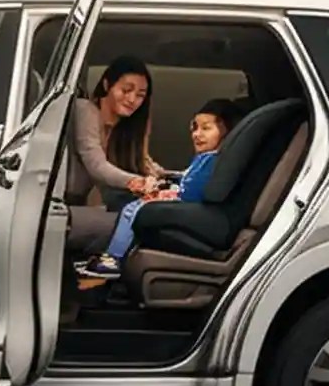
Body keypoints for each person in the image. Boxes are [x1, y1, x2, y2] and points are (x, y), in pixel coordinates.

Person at [76, 98, 244, 279]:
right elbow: (186, 178)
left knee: (132, 209)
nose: (197, 134)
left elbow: (193, 190)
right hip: (190, 203)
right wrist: (168, 184)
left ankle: (113, 258)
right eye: (194, 128)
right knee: (133, 207)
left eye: (206, 128)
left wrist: (170, 193)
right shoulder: (210, 158)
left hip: (192, 206)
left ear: (227, 131)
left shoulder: (212, 160)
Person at [64, 56, 164, 252]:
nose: (132, 100)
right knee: (132, 226)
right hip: (60, 210)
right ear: (107, 84)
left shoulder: (123, 130)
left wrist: (172, 179)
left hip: (85, 208)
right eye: (126, 90)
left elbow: (147, 164)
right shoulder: (85, 110)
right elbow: (97, 165)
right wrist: (137, 182)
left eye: (140, 95)